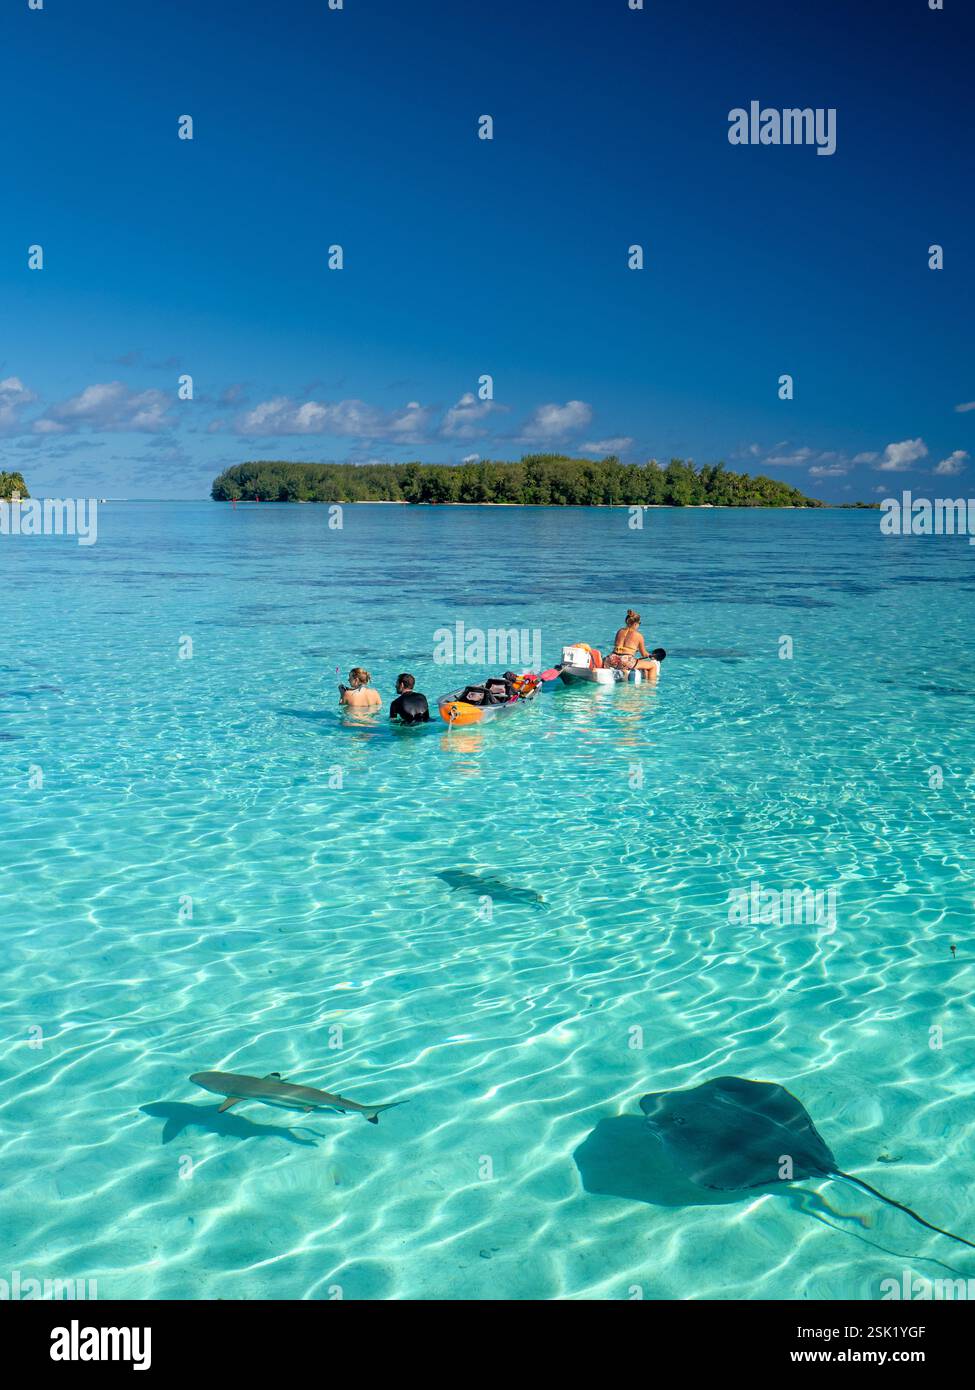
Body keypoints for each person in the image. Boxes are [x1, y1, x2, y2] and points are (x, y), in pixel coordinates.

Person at [604, 609, 665, 680]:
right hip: (625, 661)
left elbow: (620, 647)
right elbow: (644, 654)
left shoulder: (620, 631)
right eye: (640, 623)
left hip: (611, 659)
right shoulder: (639, 635)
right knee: (653, 666)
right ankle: (650, 688)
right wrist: (650, 656)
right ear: (636, 624)